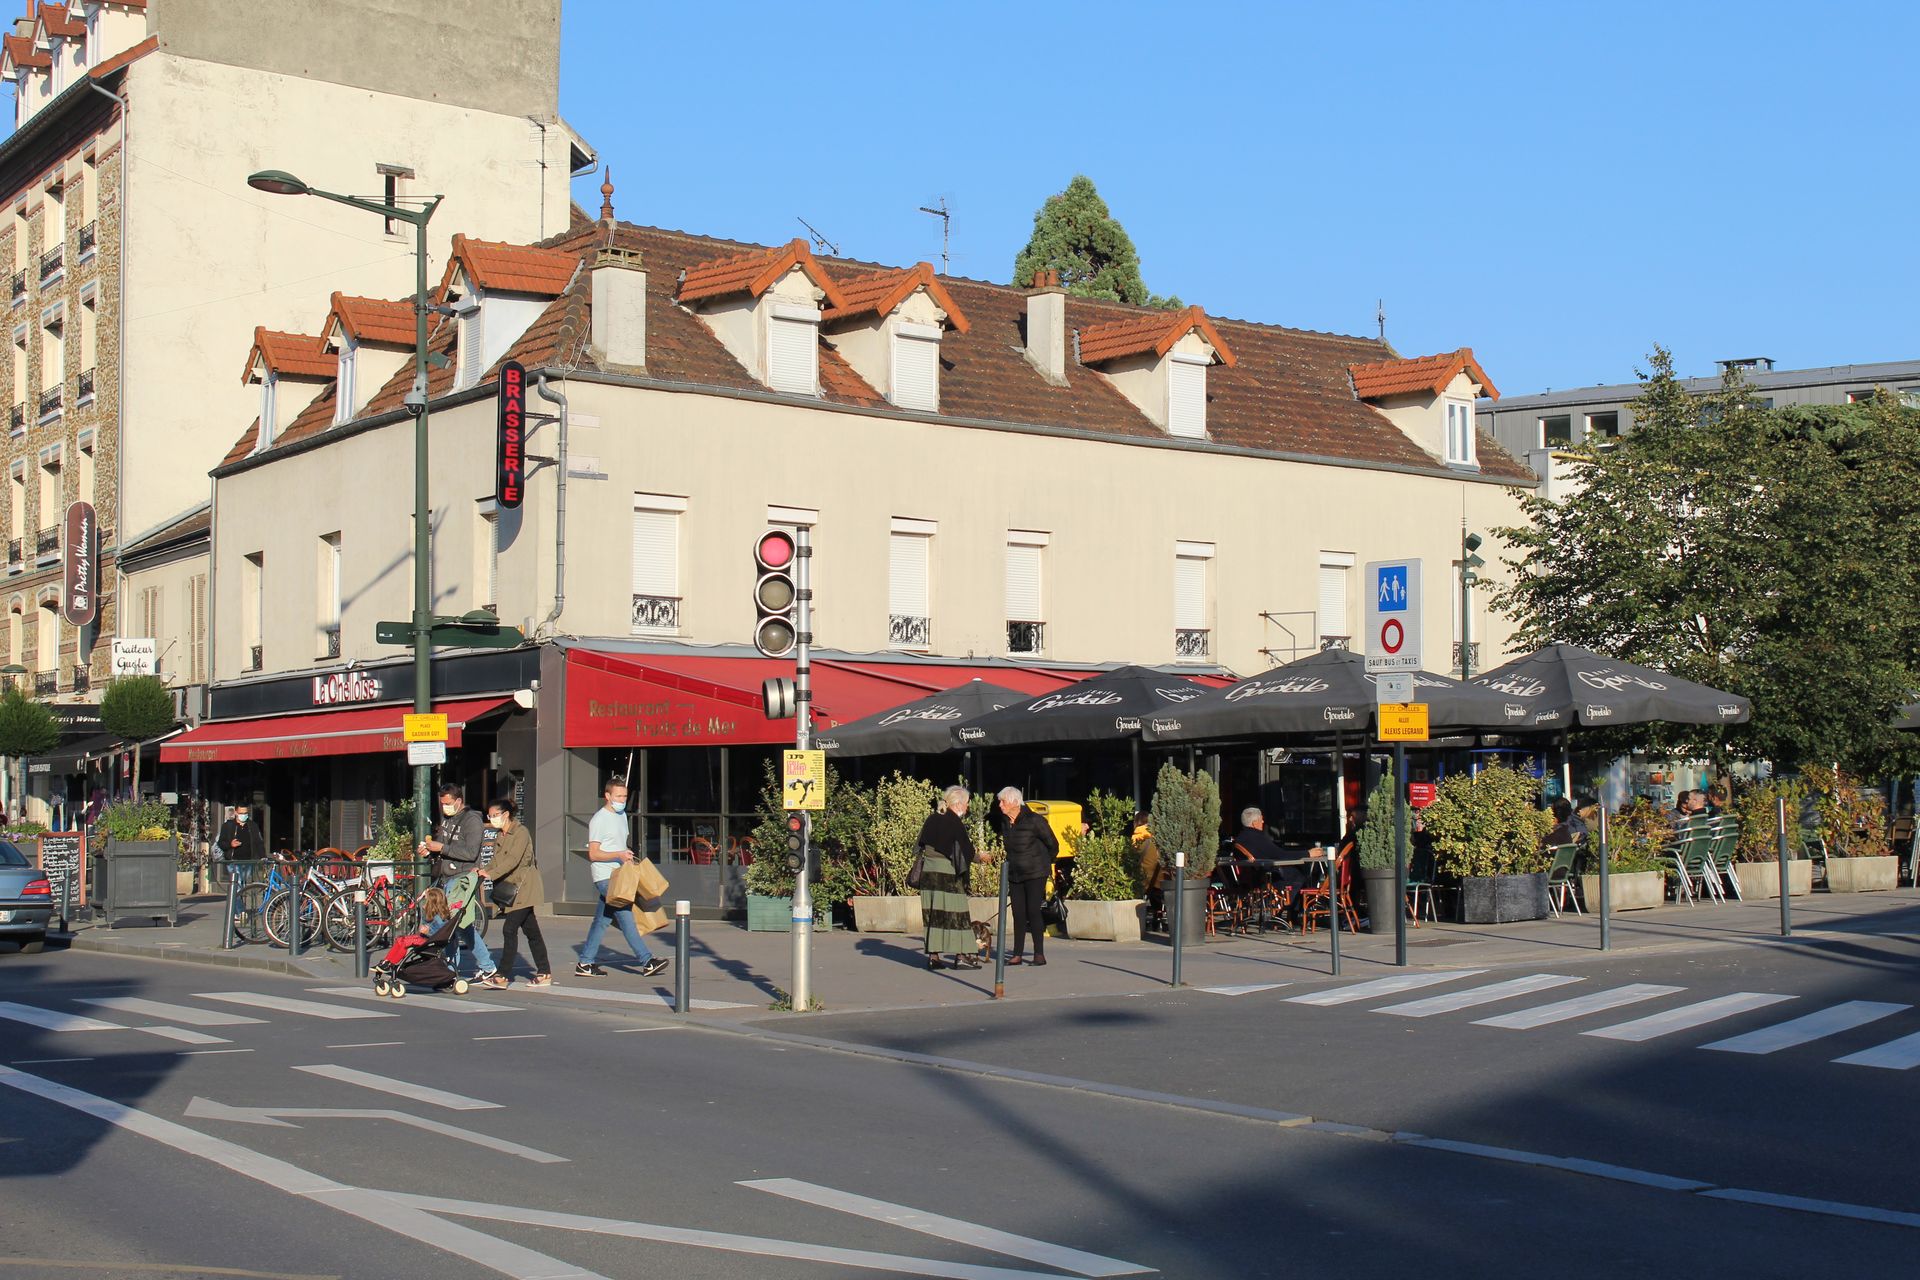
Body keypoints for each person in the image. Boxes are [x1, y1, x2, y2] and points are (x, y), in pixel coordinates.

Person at [576, 779, 669, 979]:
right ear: (607, 796)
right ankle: (647, 961)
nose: (622, 800)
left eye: (625, 796)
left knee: (601, 921)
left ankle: (585, 962)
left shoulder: (622, 816)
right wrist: (618, 855)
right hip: (606, 877)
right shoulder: (599, 819)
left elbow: (618, 844)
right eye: (618, 796)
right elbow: (593, 854)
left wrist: (625, 854)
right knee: (626, 915)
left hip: (621, 876)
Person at [421, 784, 496, 984]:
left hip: (462, 878)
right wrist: (430, 850)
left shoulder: (472, 820)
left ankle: (455, 968)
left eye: (448, 803)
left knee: (449, 922)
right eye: (442, 803)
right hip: (447, 877)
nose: (445, 807)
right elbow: (443, 846)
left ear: (459, 801)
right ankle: (479, 967)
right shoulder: (448, 819)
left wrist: (442, 848)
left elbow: (471, 853)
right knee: (460, 926)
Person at [476, 798, 548, 989]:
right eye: (489, 815)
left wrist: (491, 874)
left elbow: (513, 860)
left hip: (524, 886)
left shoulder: (520, 832)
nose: (491, 818)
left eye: (495, 815)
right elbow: (497, 860)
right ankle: (544, 972)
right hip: (512, 888)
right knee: (531, 931)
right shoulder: (500, 834)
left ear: (506, 814)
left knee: (509, 929)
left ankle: (502, 975)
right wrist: (483, 870)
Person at [915, 785, 979, 970]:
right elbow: (966, 851)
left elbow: (920, 844)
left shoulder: (932, 819)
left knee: (933, 914)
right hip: (947, 873)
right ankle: (963, 956)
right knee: (957, 914)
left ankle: (934, 957)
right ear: (958, 804)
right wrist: (981, 858)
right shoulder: (954, 822)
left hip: (929, 873)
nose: (967, 807)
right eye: (966, 803)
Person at [995, 786, 1057, 966]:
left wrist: (1043, 863)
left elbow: (1052, 844)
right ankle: (1017, 954)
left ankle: (1039, 954)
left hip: (1035, 873)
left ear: (1015, 802)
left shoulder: (1034, 820)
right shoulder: (1006, 822)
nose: (1000, 805)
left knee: (1033, 911)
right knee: (1018, 913)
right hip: (1015, 873)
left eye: (1003, 801)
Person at [214, 803, 264, 879]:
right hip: (233, 862)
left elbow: (259, 842)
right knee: (237, 883)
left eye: (245, 813)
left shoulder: (253, 826)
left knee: (243, 883)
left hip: (248, 862)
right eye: (241, 813)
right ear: (236, 813)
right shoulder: (227, 826)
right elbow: (221, 843)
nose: (243, 815)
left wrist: (263, 856)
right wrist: (230, 844)